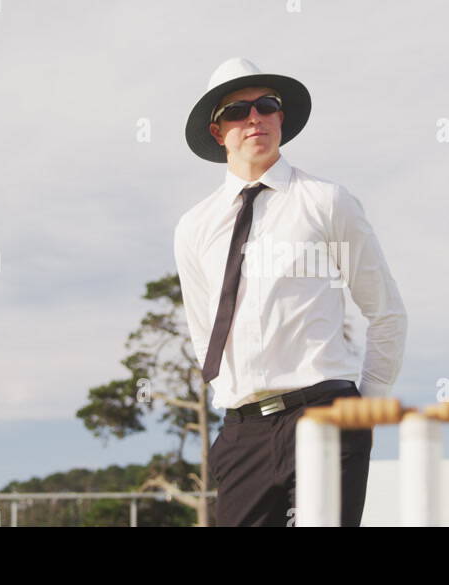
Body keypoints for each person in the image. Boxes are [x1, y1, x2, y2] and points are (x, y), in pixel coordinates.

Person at [174, 58, 407, 526]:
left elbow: (385, 312)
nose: (254, 118)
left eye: (266, 105)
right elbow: (205, 334)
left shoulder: (326, 201)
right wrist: (234, 399)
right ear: (218, 132)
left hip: (326, 416)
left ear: (282, 118)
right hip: (243, 435)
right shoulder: (193, 227)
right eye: (238, 111)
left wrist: (367, 408)